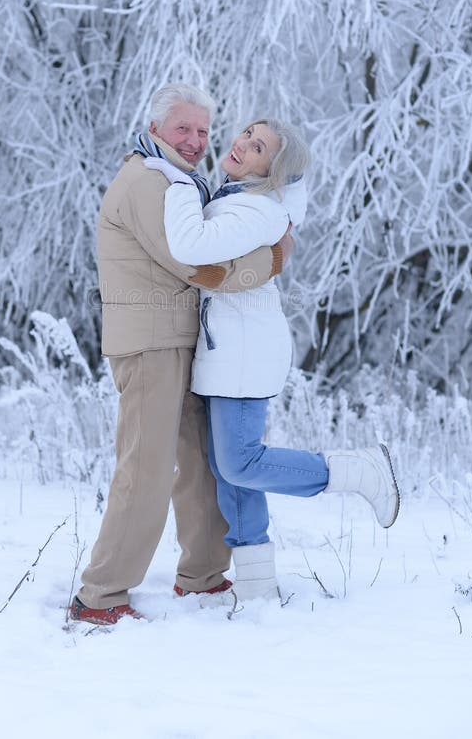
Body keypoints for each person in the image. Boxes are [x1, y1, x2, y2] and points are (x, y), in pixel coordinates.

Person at [145, 117, 400, 601]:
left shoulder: (259, 210)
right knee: (229, 472)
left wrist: (177, 181)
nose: (242, 143)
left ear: (272, 172)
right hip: (227, 350)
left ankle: (354, 470)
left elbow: (189, 246)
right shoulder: (240, 199)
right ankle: (257, 585)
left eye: (258, 147)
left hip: (243, 353)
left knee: (240, 464)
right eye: (247, 133)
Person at [70, 85, 293, 626]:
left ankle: (203, 575)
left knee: (200, 464)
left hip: (180, 339)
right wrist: (271, 260)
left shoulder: (176, 179)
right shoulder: (149, 181)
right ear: (155, 129)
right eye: (182, 129)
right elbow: (192, 264)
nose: (195, 140)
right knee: (145, 468)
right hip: (150, 342)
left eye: (202, 131)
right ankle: (101, 595)